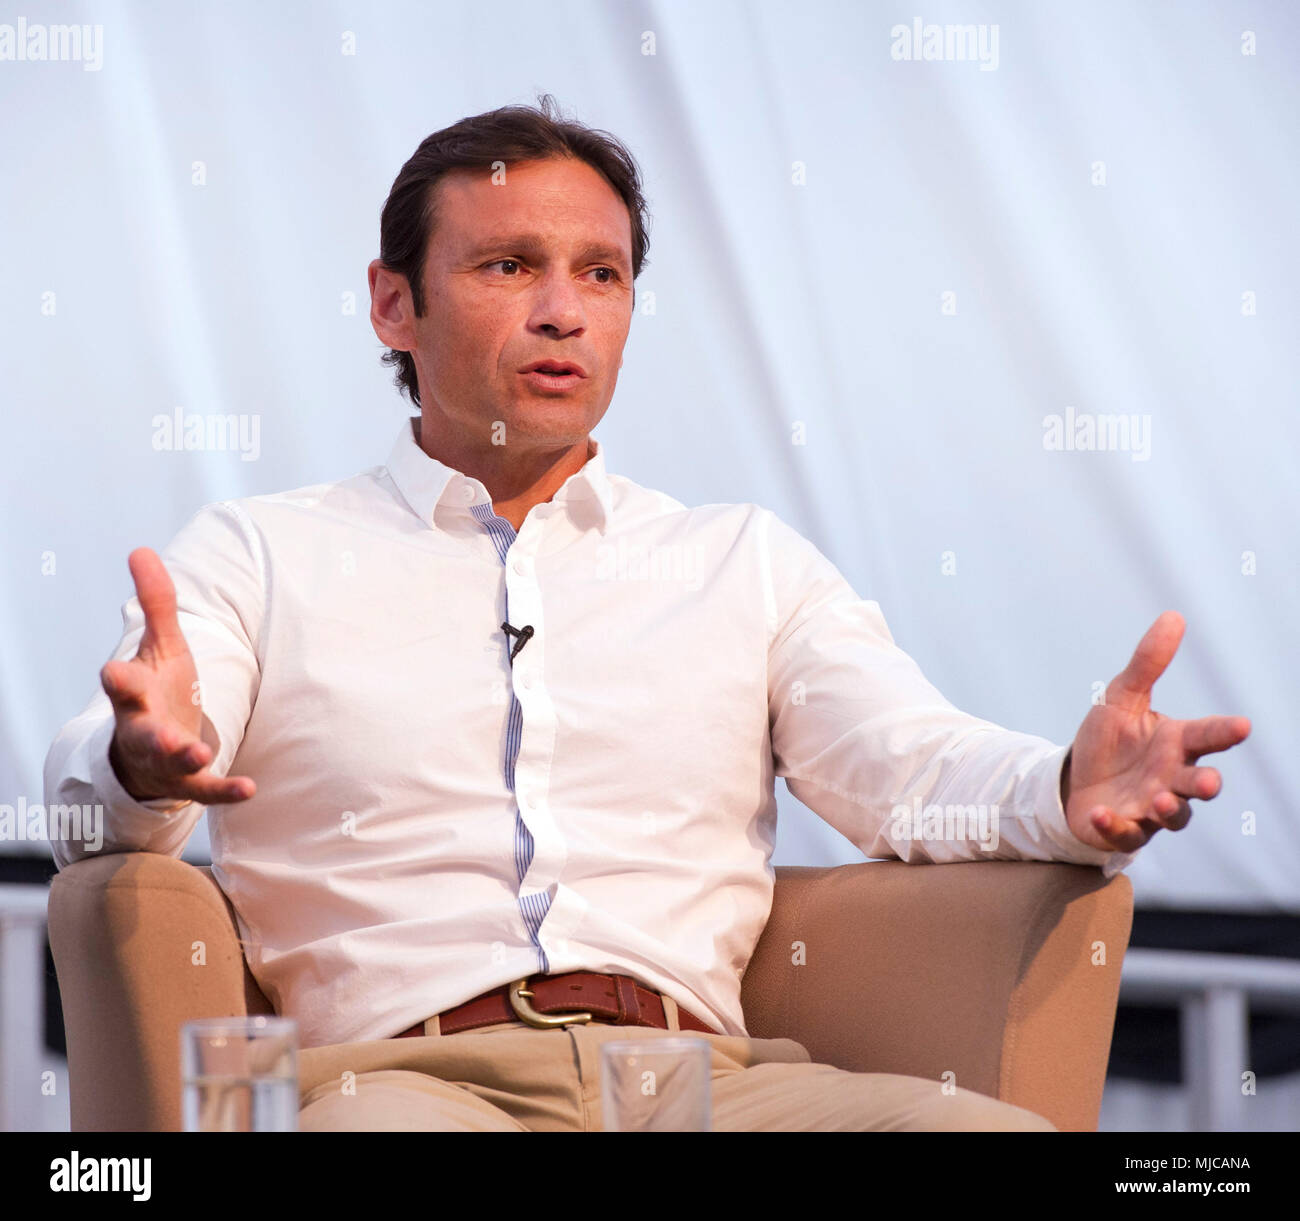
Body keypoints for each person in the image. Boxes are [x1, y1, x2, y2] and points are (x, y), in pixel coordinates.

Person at [44, 95, 1250, 1132]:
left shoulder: (739, 560)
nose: (564, 311)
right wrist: (137, 766)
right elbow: (86, 800)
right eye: (509, 265)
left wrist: (1064, 789)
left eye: (601, 274)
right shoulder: (263, 552)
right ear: (392, 306)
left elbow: (907, 764)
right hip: (402, 1080)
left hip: (700, 1082)